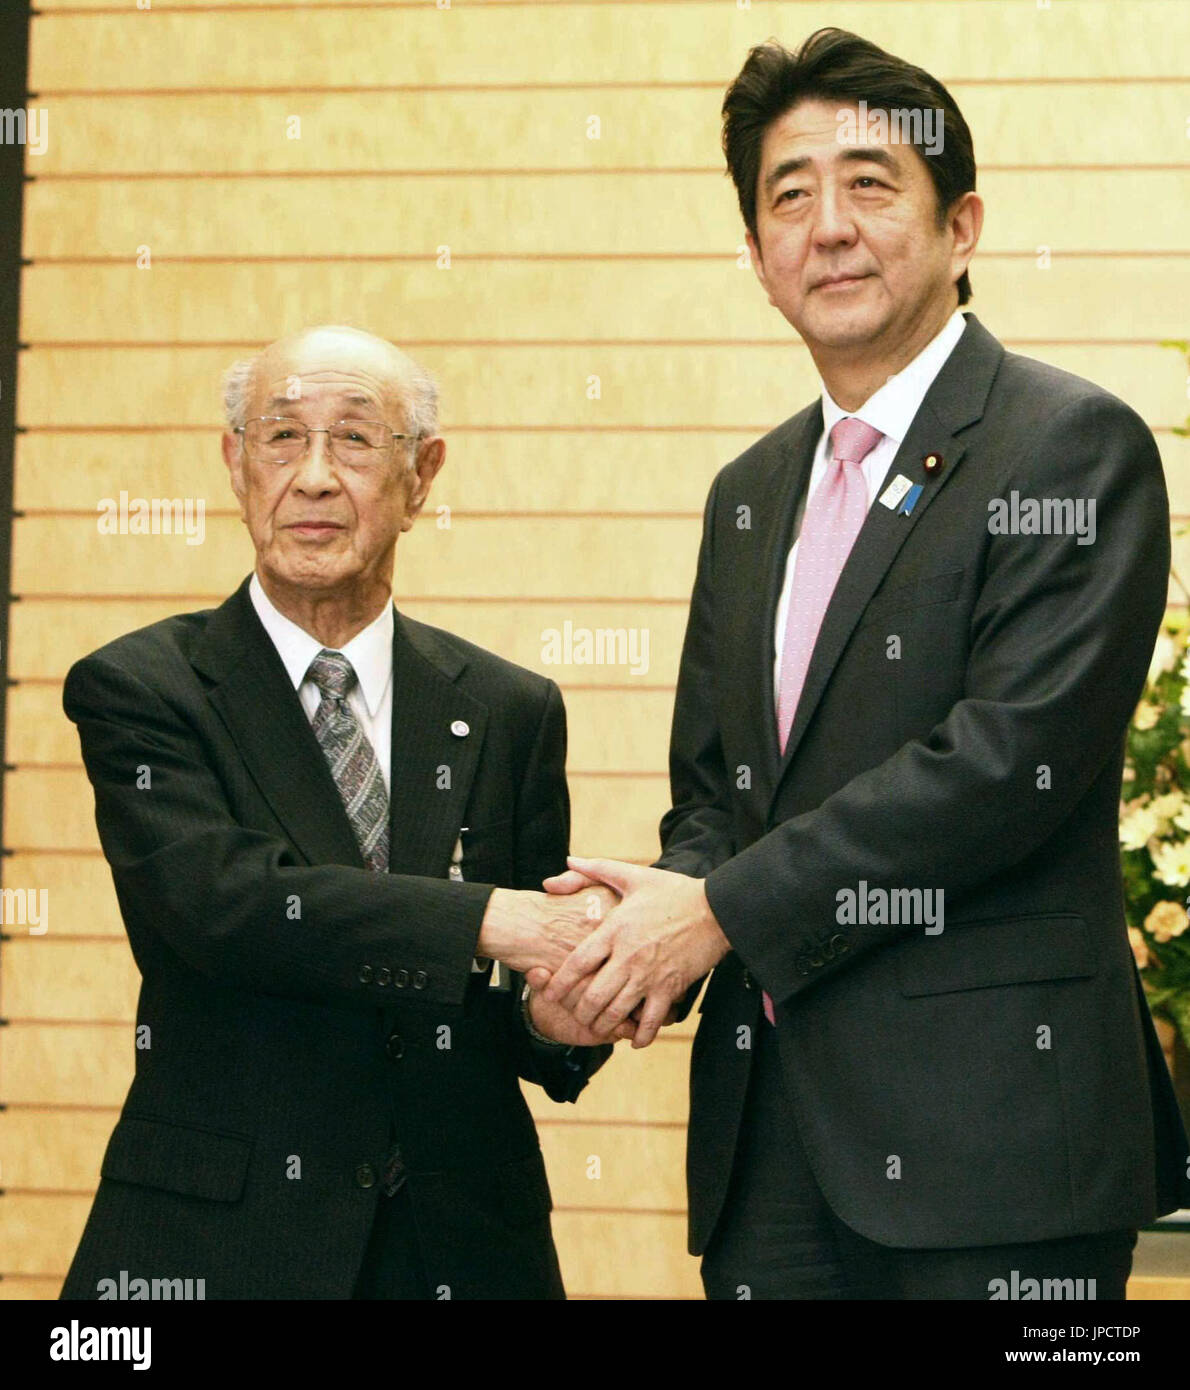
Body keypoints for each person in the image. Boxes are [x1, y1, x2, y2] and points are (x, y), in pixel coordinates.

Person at [541, 29, 1190, 1299]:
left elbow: (1005, 766)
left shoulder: (1067, 447)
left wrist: (714, 912)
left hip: (995, 1149)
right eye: (788, 195)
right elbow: (720, 801)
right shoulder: (749, 492)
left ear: (960, 227)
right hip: (769, 1143)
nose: (826, 227)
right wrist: (638, 932)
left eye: (869, 184)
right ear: (754, 257)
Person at [60, 324, 619, 1301]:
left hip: (463, 1248)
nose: (314, 478)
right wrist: (492, 918)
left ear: (422, 475)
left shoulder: (505, 708)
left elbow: (519, 1003)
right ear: (236, 464)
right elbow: (224, 907)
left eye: (355, 441)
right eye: (282, 438)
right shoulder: (143, 688)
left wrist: (553, 1017)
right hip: (222, 1247)